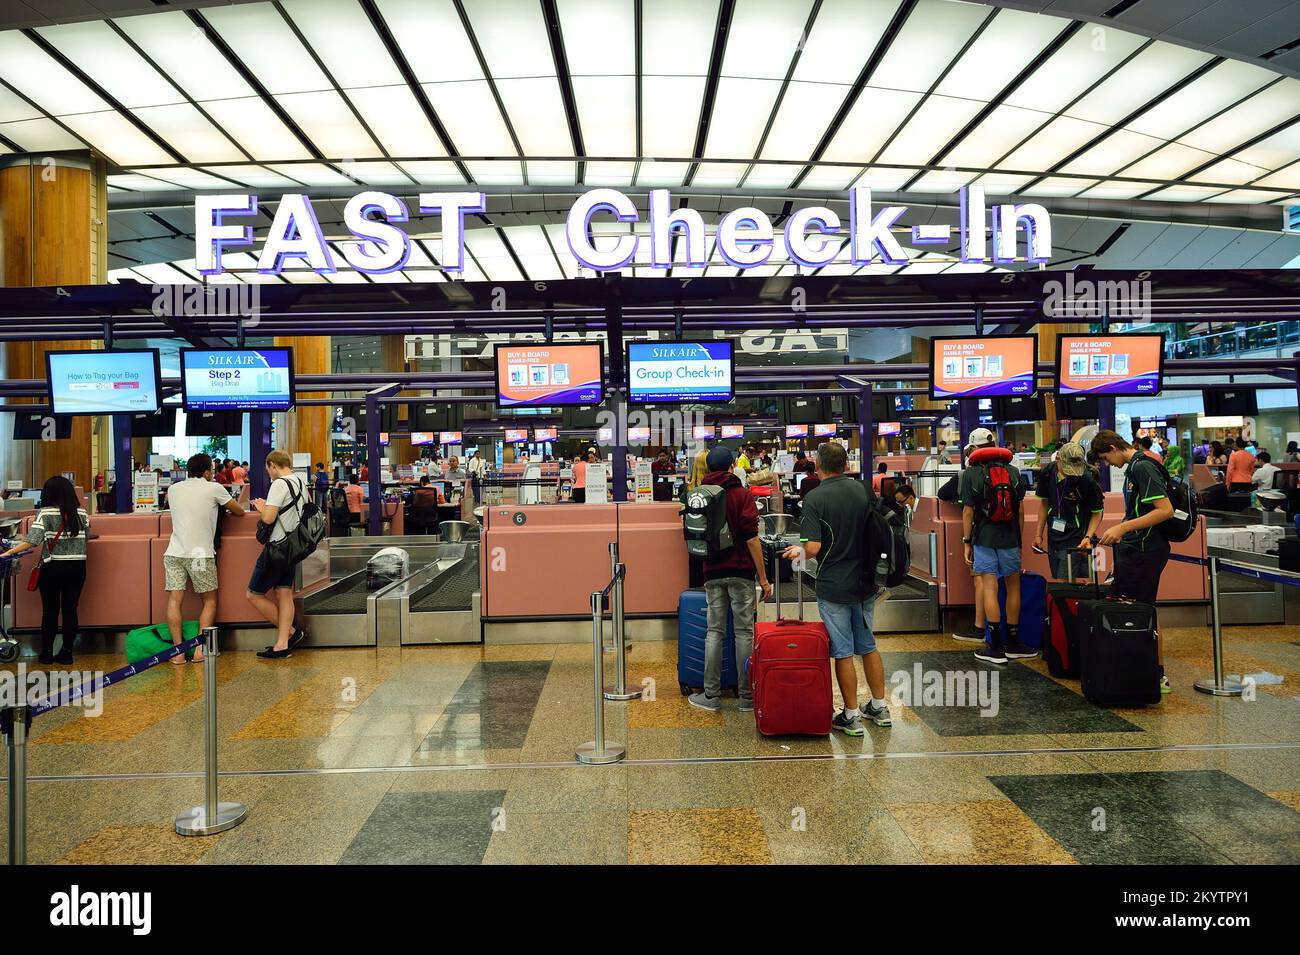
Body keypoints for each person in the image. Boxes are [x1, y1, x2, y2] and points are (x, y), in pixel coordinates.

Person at [782, 442, 891, 734]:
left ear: (818, 466)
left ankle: (851, 714)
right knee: (868, 646)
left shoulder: (815, 499)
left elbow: (814, 547)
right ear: (846, 465)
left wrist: (797, 551)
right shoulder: (863, 490)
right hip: (866, 581)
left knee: (842, 651)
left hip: (834, 584)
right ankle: (880, 706)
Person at [686, 447, 772, 714]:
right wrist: (764, 578)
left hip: (711, 571)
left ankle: (711, 695)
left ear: (709, 468)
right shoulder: (741, 494)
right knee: (744, 632)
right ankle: (746, 697)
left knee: (714, 632)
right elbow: (751, 539)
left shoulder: (699, 495)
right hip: (741, 571)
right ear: (733, 465)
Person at [1092, 430, 1174, 695]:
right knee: (1141, 609)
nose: (1107, 463)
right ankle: (1140, 667)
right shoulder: (1134, 468)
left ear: (1115, 447)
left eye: (1106, 457)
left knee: (1142, 611)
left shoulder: (1142, 468)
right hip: (1135, 549)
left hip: (1146, 549)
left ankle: (1155, 673)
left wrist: (1123, 529)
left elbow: (1165, 510)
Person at [959, 427, 1034, 665]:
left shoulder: (971, 473)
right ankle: (1014, 643)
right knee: (1013, 587)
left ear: (974, 448)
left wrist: (966, 542)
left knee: (990, 588)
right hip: (1010, 537)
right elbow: (1020, 511)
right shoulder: (1013, 471)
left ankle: (995, 645)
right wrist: (1018, 538)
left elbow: (968, 511)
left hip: (983, 537)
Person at [163, 453, 246, 664]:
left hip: (174, 552)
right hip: (200, 553)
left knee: (174, 600)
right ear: (207, 472)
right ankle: (200, 650)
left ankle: (178, 652)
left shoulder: (174, 489)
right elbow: (239, 511)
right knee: (209, 600)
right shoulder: (214, 488)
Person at [0, 476, 89, 664]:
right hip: (78, 567)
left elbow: (32, 540)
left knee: (50, 610)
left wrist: (7, 554)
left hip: (53, 567)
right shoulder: (81, 513)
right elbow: (86, 536)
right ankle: (67, 653)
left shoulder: (45, 513)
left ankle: (47, 653)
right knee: (70, 610)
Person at [249, 450, 309, 659]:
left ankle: (290, 633)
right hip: (293, 547)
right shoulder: (301, 482)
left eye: (268, 469)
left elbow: (268, 518)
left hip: (276, 547)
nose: (268, 473)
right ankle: (282, 644)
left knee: (253, 594)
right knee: (284, 593)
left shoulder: (279, 484)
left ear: (272, 465)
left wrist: (261, 506)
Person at [1033, 442, 1103, 582]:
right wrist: (1038, 535)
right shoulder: (1047, 472)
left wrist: (1088, 537)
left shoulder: (1087, 479)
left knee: (1064, 581)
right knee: (1062, 578)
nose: (1072, 472)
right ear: (1058, 459)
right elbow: (1044, 504)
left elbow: (1097, 512)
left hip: (1077, 536)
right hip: (1054, 535)